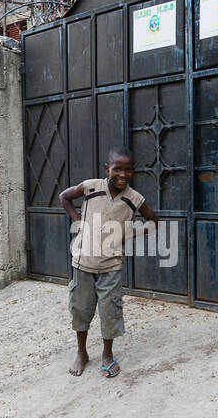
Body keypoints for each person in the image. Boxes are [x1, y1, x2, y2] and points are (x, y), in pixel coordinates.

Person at [59, 148, 160, 378]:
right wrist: (79, 221)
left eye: (128, 170)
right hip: (83, 262)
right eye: (117, 169)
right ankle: (82, 353)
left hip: (111, 267)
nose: (122, 174)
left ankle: (107, 355)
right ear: (108, 169)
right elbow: (64, 197)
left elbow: (154, 221)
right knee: (80, 309)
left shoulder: (135, 199)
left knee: (109, 311)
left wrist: (129, 235)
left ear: (133, 172)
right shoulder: (91, 187)